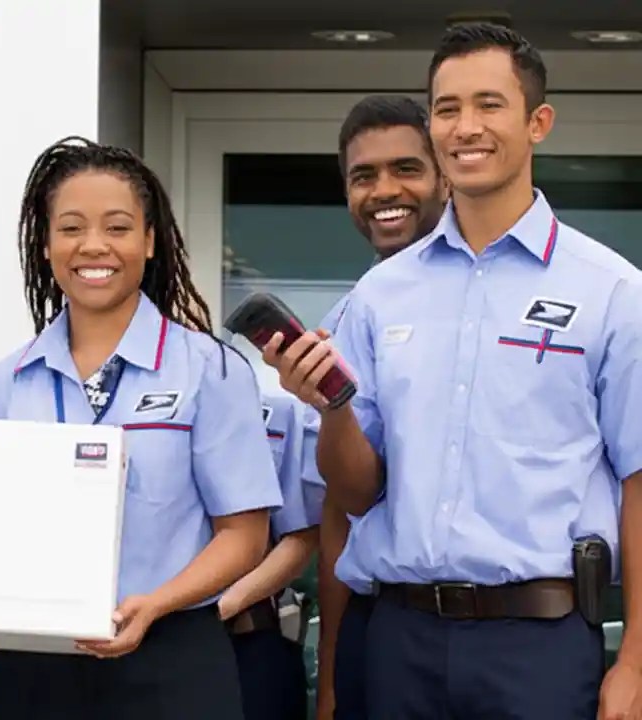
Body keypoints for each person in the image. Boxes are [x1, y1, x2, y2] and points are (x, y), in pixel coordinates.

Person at [266, 23, 642, 718]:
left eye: (489, 105)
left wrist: (638, 661)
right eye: (446, 108)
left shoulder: (612, 291)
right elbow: (354, 492)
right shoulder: (380, 295)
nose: (465, 126)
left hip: (541, 644)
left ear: (538, 123)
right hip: (400, 640)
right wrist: (332, 408)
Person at [0, 136, 283, 719]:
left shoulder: (209, 371)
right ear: (45, 245)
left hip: (172, 657)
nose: (93, 246)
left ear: (148, 240)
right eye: (70, 228)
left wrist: (157, 604)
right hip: (34, 666)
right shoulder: (4, 383)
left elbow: (244, 534)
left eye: (116, 227)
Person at [306, 94, 448, 720]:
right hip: (385, 624)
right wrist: (334, 672)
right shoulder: (342, 322)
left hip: (521, 630)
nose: (384, 190)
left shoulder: (518, 299)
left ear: (445, 172)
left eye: (406, 169)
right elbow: (342, 512)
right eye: (364, 176)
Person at [221, 391, 318, 720]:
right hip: (129, 636)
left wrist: (228, 604)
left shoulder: (275, 412)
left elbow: (302, 536)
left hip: (247, 635)